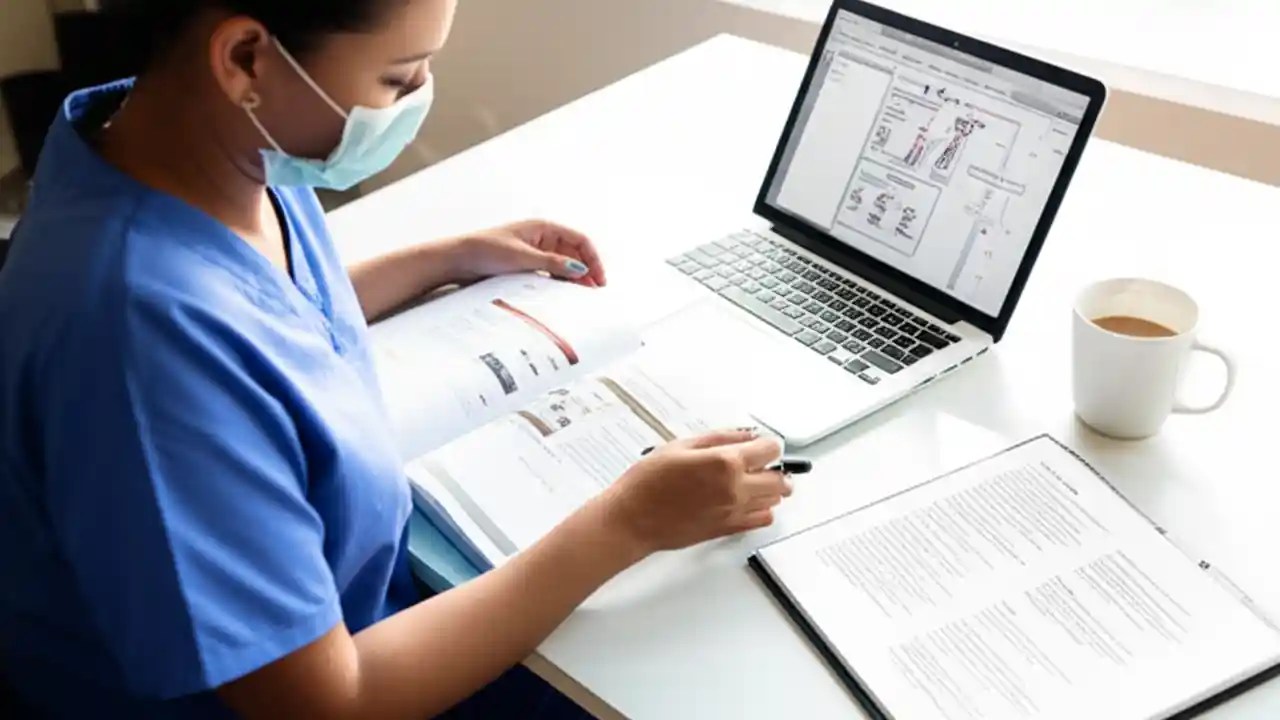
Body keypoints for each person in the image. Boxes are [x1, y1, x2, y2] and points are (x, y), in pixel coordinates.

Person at [0, 0, 793, 718]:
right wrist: (628, 522)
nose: (417, 99)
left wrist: (444, 258)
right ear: (245, 57)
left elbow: (255, 306)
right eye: (400, 76)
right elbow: (325, 705)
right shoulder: (137, 340)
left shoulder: (191, 150)